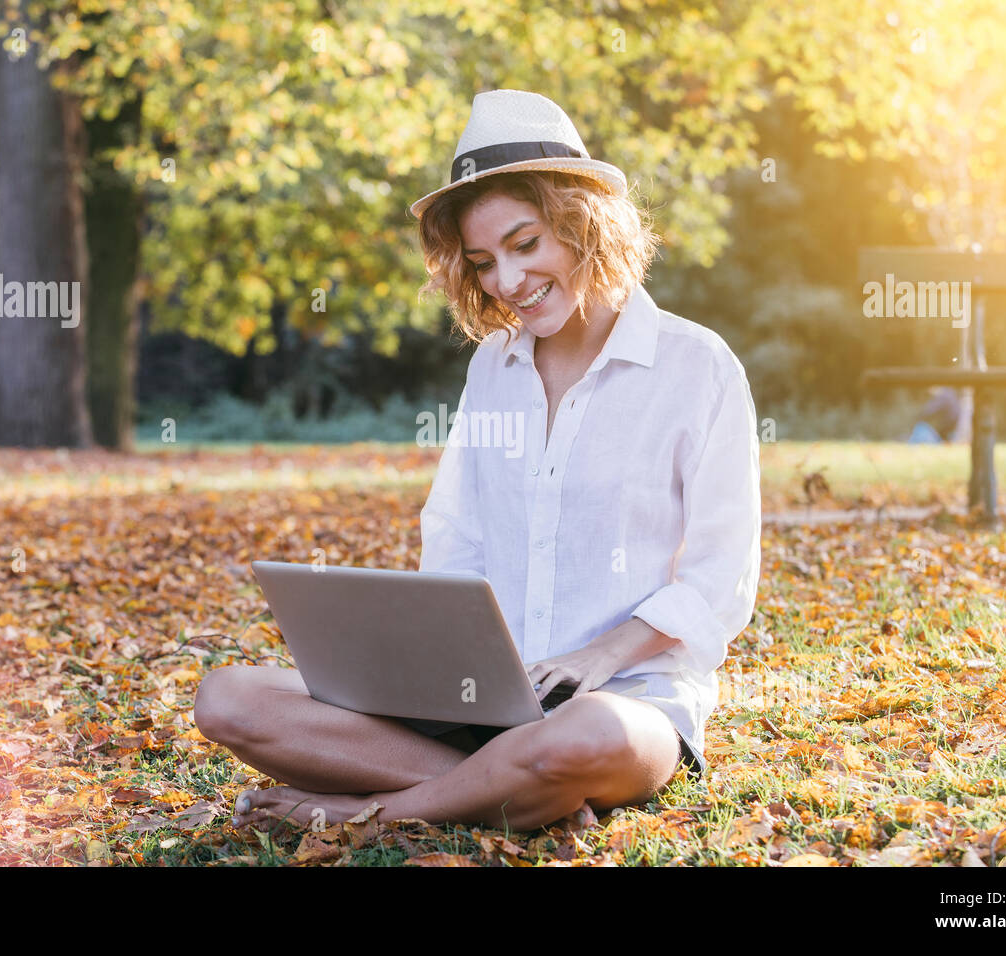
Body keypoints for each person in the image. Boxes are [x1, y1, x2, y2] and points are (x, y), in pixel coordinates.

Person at [194, 89, 762, 833]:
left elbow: (722, 576)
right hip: (480, 702)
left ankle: (366, 814)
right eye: (484, 261)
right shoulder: (493, 367)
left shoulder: (698, 367)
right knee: (229, 698)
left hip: (628, 701)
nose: (506, 282)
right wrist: (426, 666)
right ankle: (524, 797)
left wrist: (600, 655)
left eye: (527, 245)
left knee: (583, 735)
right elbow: (457, 535)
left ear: (583, 224)